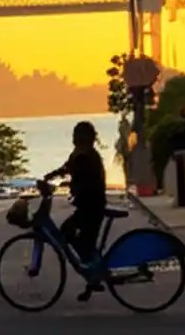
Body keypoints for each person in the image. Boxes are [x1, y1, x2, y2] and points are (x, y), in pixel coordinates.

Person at [44, 120, 107, 298]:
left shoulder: (86, 156)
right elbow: (67, 168)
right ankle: (91, 276)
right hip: (87, 206)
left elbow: (79, 175)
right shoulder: (81, 154)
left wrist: (65, 182)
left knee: (72, 234)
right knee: (80, 239)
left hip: (91, 206)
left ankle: (93, 272)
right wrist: (53, 175)